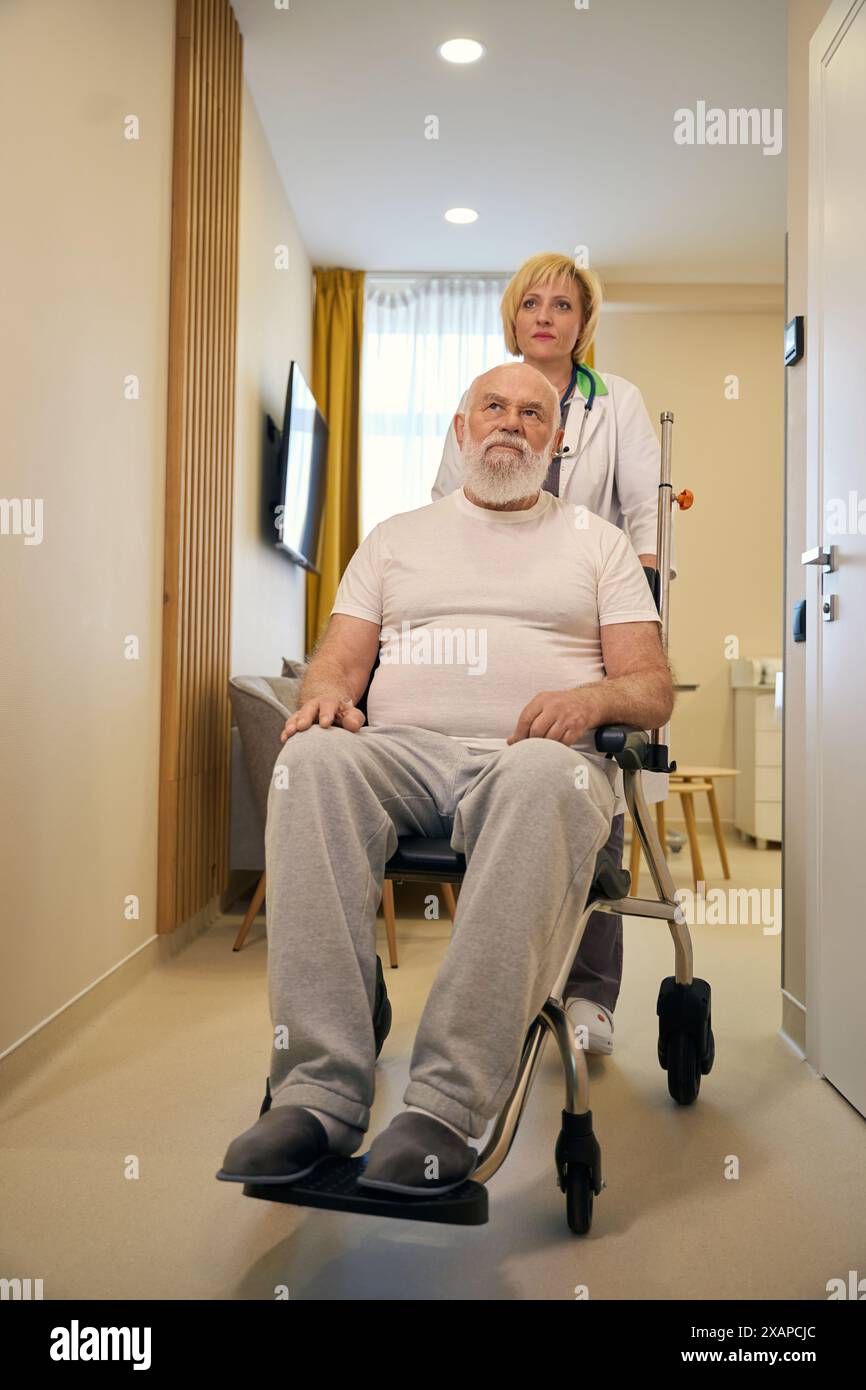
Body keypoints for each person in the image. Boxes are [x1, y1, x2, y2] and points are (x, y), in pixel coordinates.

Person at [218, 362, 673, 1196]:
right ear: (460, 432)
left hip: (535, 759)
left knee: (543, 778)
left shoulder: (596, 544)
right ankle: (317, 1092)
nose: (510, 421)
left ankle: (444, 1106)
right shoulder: (397, 537)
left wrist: (590, 698)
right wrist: (323, 701)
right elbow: (338, 664)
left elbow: (652, 689)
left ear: (557, 440)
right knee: (310, 760)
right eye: (491, 408)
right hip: (404, 752)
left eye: (532, 412)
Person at [433, 252, 675, 1053]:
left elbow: (645, 520)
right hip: (500, 617)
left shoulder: (619, 403)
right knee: (501, 778)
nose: (545, 315)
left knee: (591, 777)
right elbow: (447, 510)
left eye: (563, 304)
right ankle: (497, 974)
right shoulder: (483, 401)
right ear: (512, 318)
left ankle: (589, 994)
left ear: (583, 322)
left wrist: (626, 630)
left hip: (588, 621)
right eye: (531, 302)